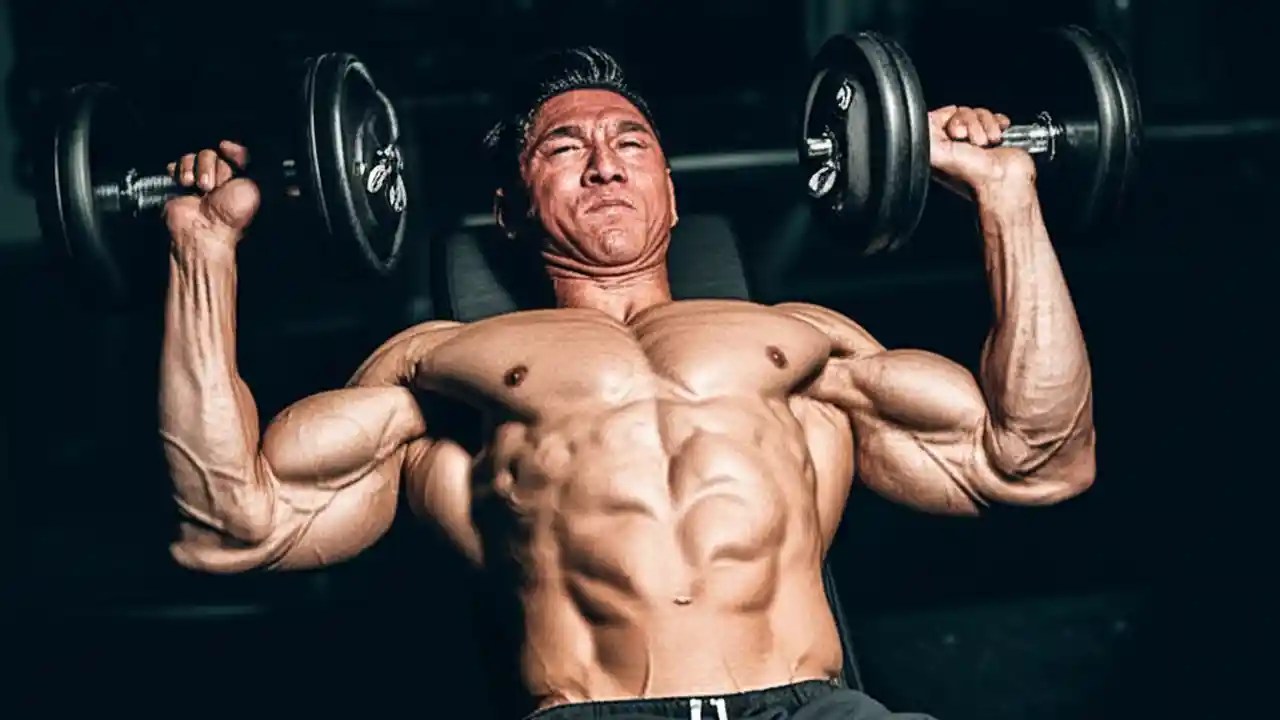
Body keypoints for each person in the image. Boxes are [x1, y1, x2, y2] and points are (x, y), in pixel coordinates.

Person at [159, 47, 1095, 719]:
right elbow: (235, 520)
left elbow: (1036, 459)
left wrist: (1006, 195)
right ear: (512, 207)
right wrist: (203, 256)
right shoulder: (441, 365)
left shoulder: (804, 343)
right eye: (564, 148)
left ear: (672, 194)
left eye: (632, 143)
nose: (605, 162)